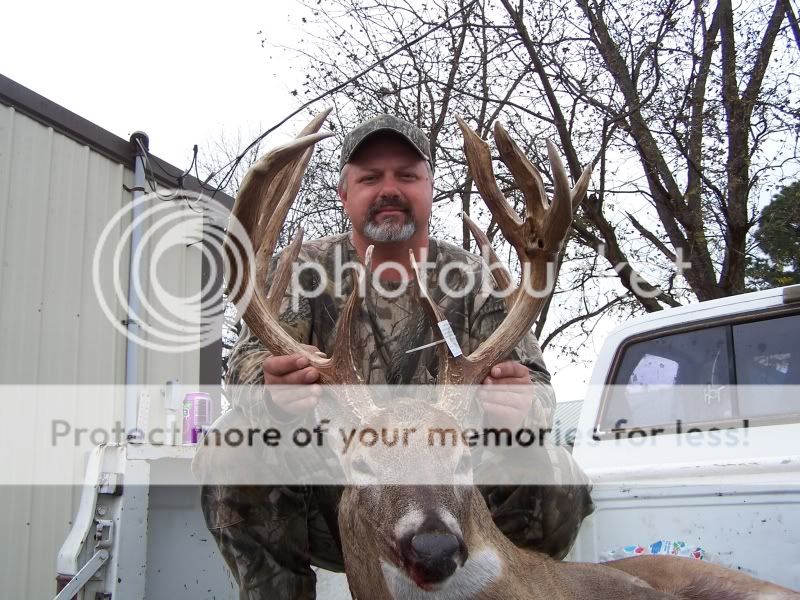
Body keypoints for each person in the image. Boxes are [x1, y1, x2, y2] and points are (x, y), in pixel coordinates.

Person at [196, 114, 593, 599]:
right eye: (370, 178)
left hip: (455, 494)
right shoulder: (304, 269)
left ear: (430, 189)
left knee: (551, 471)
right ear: (344, 194)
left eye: (406, 175)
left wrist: (521, 406)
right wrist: (271, 394)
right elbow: (244, 368)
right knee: (231, 448)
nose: (389, 189)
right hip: (341, 491)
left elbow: (539, 389)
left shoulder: (474, 278)